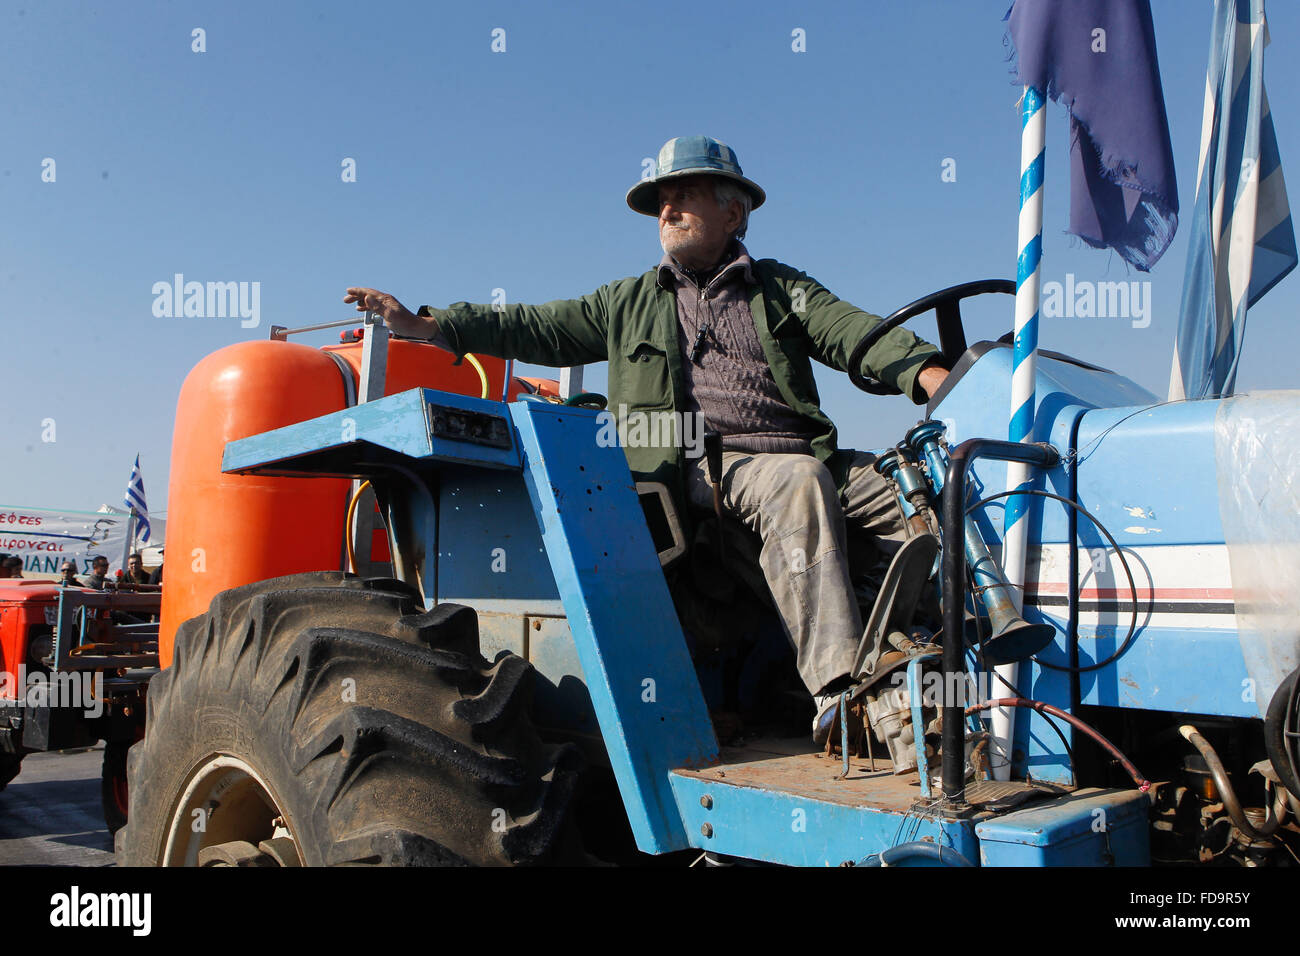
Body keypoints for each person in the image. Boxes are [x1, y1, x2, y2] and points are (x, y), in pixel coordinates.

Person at [344, 136, 949, 745]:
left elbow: (853, 331)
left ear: (733, 212)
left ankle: (930, 659)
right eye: (661, 200)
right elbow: (533, 324)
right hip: (700, 465)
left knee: (917, 488)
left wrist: (925, 371)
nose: (667, 210)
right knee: (797, 483)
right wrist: (430, 326)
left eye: (684, 195)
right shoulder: (626, 302)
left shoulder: (781, 290)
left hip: (799, 451)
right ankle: (839, 694)